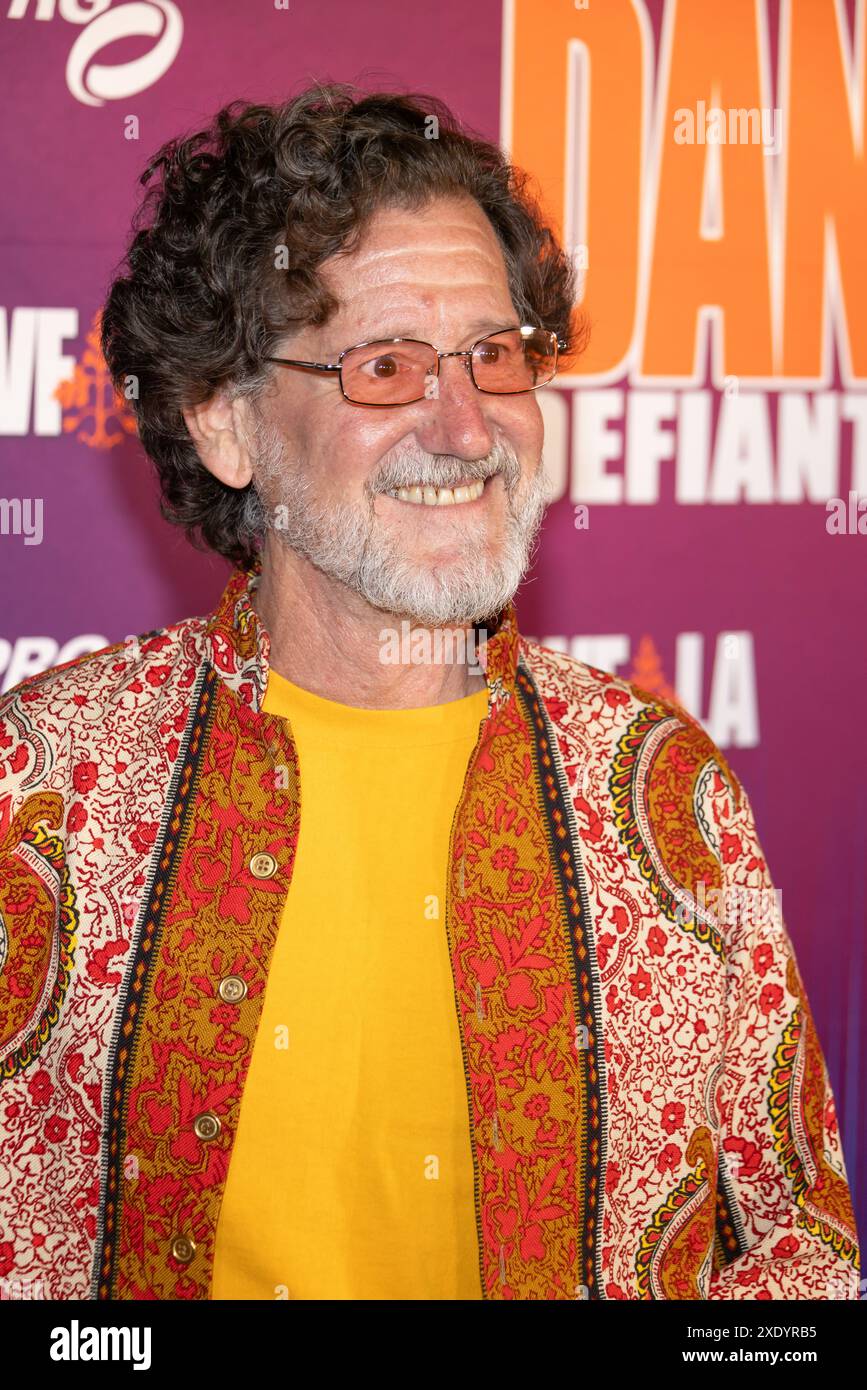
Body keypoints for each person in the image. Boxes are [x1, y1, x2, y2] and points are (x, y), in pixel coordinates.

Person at [0, 83, 857, 1302]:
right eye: (387, 365)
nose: (466, 427)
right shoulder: (46, 786)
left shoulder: (659, 791)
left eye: (495, 355)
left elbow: (798, 1258)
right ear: (230, 425)